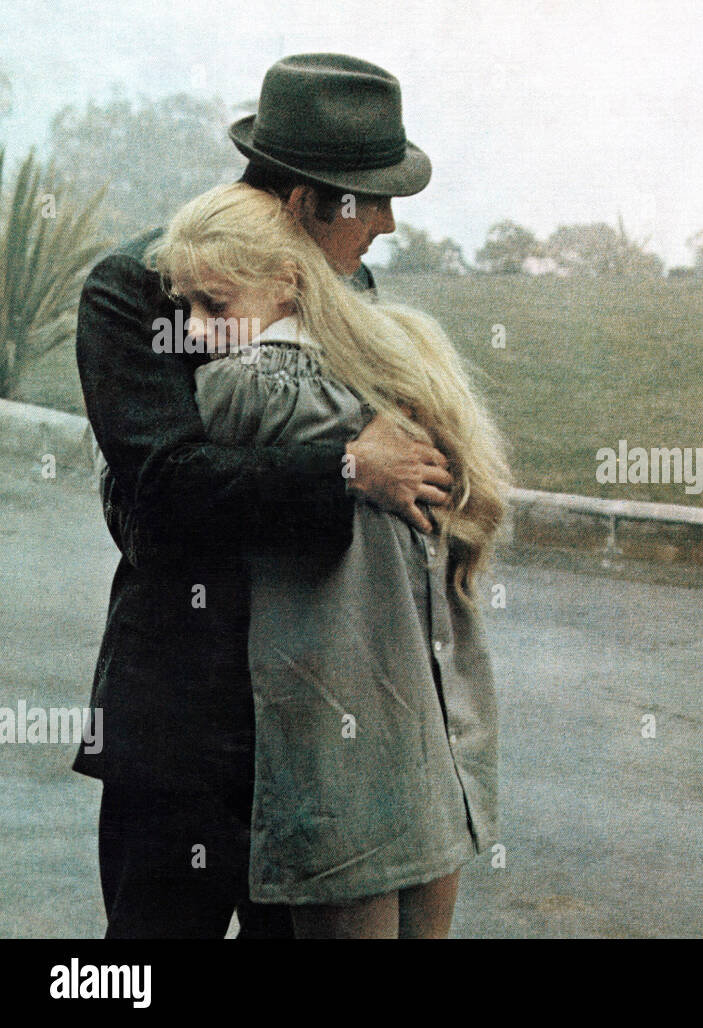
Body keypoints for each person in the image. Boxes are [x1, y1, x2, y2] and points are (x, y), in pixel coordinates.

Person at [75, 54, 454, 938]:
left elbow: (414, 466)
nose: (389, 222)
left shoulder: (345, 290)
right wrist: (351, 472)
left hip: (320, 729)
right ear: (299, 204)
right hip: (185, 727)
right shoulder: (138, 287)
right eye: (369, 198)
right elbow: (162, 493)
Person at [147, 181, 509, 938]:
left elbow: (151, 486)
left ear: (287, 281)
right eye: (185, 307)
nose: (195, 331)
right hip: (432, 749)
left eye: (215, 305)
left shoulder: (247, 389)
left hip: (337, 762)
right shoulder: (404, 372)